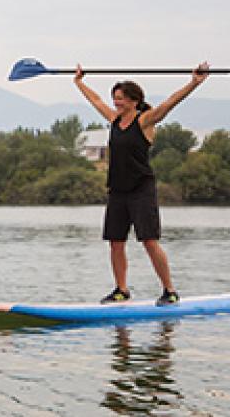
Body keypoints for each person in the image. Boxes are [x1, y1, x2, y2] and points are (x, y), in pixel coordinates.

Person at [74, 62, 210, 306]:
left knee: (149, 241)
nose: (116, 103)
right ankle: (121, 290)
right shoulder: (114, 120)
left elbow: (170, 103)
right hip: (117, 190)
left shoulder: (145, 121)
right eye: (115, 99)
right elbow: (95, 101)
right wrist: (79, 82)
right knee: (115, 242)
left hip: (141, 190)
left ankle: (169, 290)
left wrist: (194, 83)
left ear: (134, 101)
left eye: (121, 99)